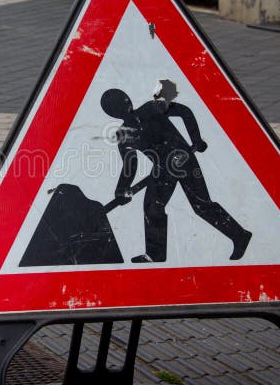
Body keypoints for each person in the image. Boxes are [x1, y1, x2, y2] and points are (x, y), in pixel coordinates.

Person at [101, 85, 251, 262]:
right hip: (162, 169)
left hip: (183, 159)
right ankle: (155, 254)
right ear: (113, 113)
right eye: (118, 106)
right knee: (152, 207)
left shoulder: (151, 108)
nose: (125, 106)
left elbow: (185, 111)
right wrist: (122, 189)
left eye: (124, 101)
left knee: (201, 205)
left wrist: (196, 139)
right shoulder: (124, 134)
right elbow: (130, 164)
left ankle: (240, 235)